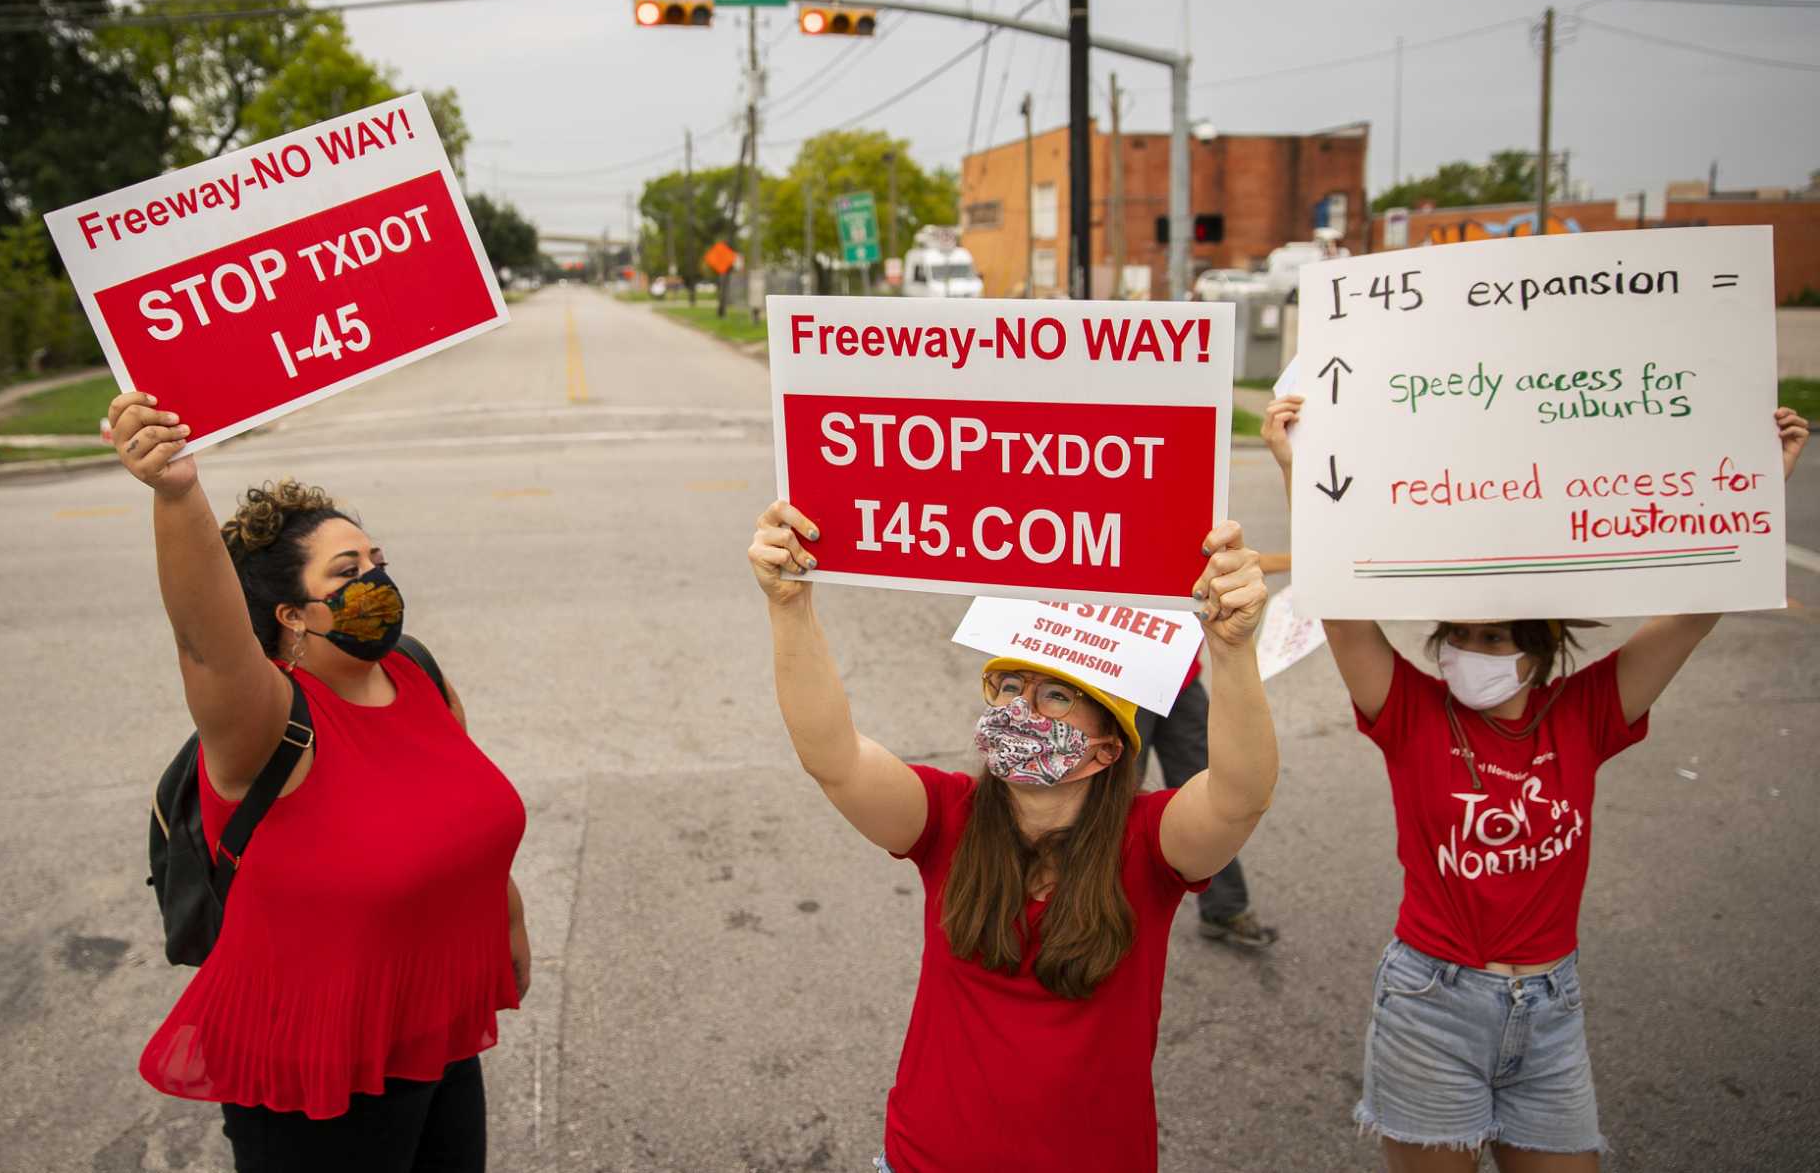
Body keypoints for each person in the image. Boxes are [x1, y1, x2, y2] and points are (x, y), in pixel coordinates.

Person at [1261, 394, 1809, 1172]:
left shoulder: (1582, 714)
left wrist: (1760, 489)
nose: (1466, 651)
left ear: (1538, 648)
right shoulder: (1412, 711)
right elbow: (1344, 616)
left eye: (1493, 637)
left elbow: (1691, 616)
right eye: (1458, 635)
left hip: (1551, 1011)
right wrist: (1298, 471)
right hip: (1431, 1004)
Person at [748, 501, 1277, 1173]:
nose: (1019, 707)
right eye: (1008, 686)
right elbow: (835, 756)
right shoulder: (947, 817)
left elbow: (1240, 797)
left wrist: (1232, 650)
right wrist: (789, 608)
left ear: (1107, 750)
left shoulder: (1147, 844)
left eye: (1055, 696)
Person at [112, 391, 530, 1173]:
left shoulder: (415, 671)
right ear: (290, 615)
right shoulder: (265, 719)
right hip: (316, 1064)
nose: (376, 580)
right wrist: (177, 492)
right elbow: (206, 637)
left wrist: (506, 925)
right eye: (346, 571)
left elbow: (467, 825)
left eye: (377, 562)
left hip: (432, 1029)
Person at [1134, 660, 1279, 948]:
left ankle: (1224, 908)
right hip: (1116, 680)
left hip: (1178, 673)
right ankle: (1081, 924)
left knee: (1214, 795)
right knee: (1109, 806)